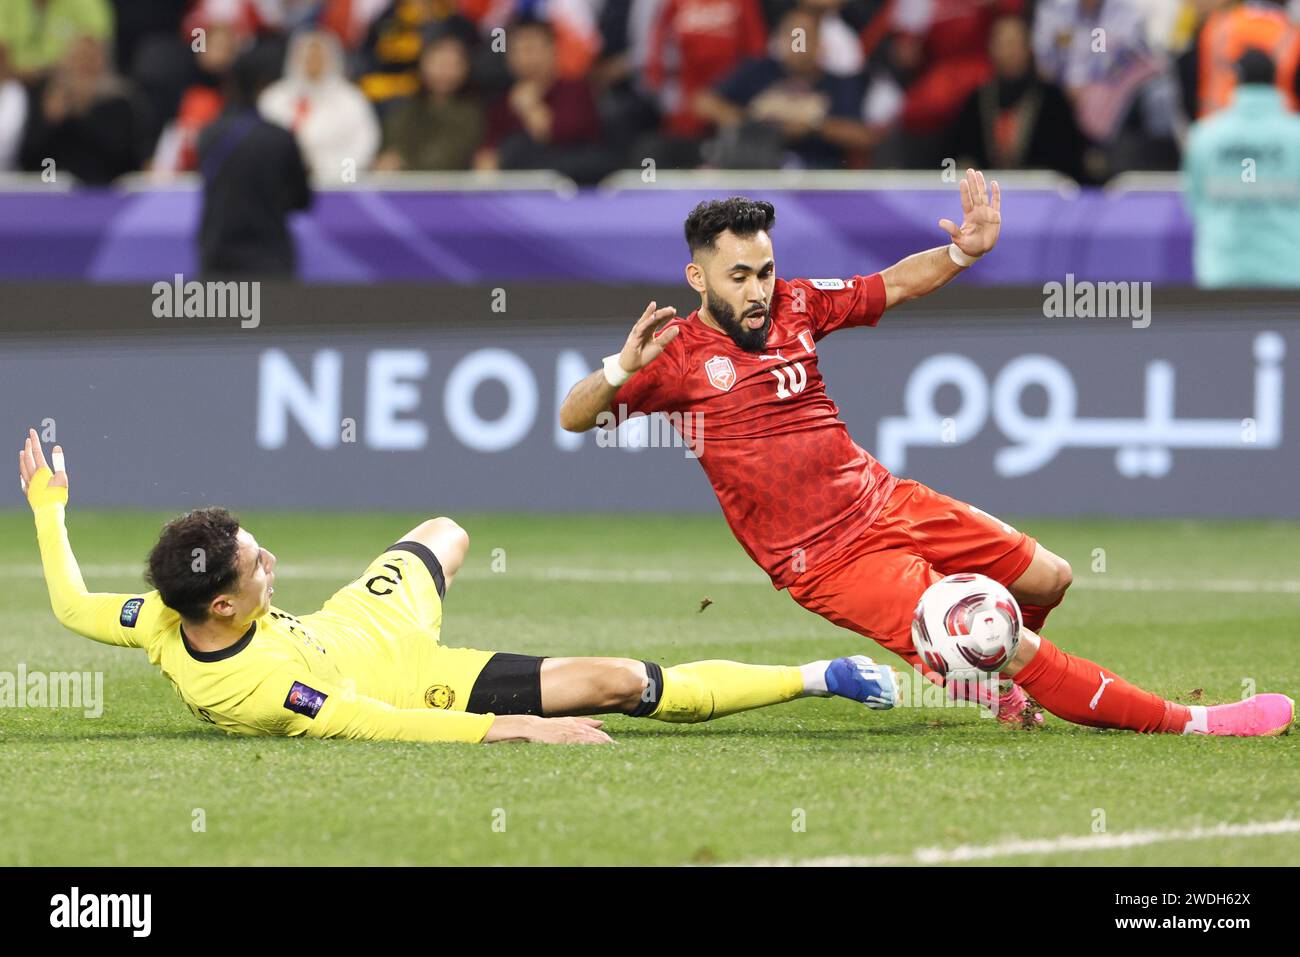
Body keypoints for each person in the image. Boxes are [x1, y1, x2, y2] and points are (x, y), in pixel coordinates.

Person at [558, 172, 1295, 737]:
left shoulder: (796, 306)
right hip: (826, 558)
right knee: (993, 633)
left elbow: (893, 284)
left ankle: (990, 676)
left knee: (1051, 576)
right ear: (699, 279)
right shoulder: (673, 355)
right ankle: (1194, 722)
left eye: (765, 271)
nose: (758, 291)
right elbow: (572, 415)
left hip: (885, 498)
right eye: (739, 278)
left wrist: (960, 252)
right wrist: (619, 371)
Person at [18, 428, 901, 747]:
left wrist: (48, 506)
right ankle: (818, 674)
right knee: (624, 681)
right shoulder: (258, 690)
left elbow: (67, 602)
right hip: (408, 677)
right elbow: (383, 722)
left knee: (446, 531)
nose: (270, 559)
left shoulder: (158, 620)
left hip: (357, 618)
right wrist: (507, 726)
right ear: (224, 605)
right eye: (257, 565)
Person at [1183, 48, 1300, 287]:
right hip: (1288, 271)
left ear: (1236, 80)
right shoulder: (1295, 135)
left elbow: (1194, 201)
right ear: (1275, 79)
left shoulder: (1206, 134)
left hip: (1222, 270)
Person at [196, 49, 311, 278]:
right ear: (263, 85)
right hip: (269, 255)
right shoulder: (280, 138)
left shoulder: (208, 135)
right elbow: (303, 199)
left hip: (217, 253)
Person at [258, 29, 381, 180]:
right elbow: (264, 146)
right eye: (308, 56)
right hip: (283, 185)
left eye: (319, 56)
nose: (313, 62)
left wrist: (339, 178)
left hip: (337, 185)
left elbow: (363, 145)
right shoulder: (273, 99)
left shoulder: (351, 99)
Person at [374, 30, 485, 171]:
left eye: (452, 64)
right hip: (400, 188)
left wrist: (402, 166)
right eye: (439, 63)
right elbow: (391, 148)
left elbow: (446, 160)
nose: (444, 71)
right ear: (423, 63)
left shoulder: (473, 112)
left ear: (465, 68)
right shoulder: (405, 107)